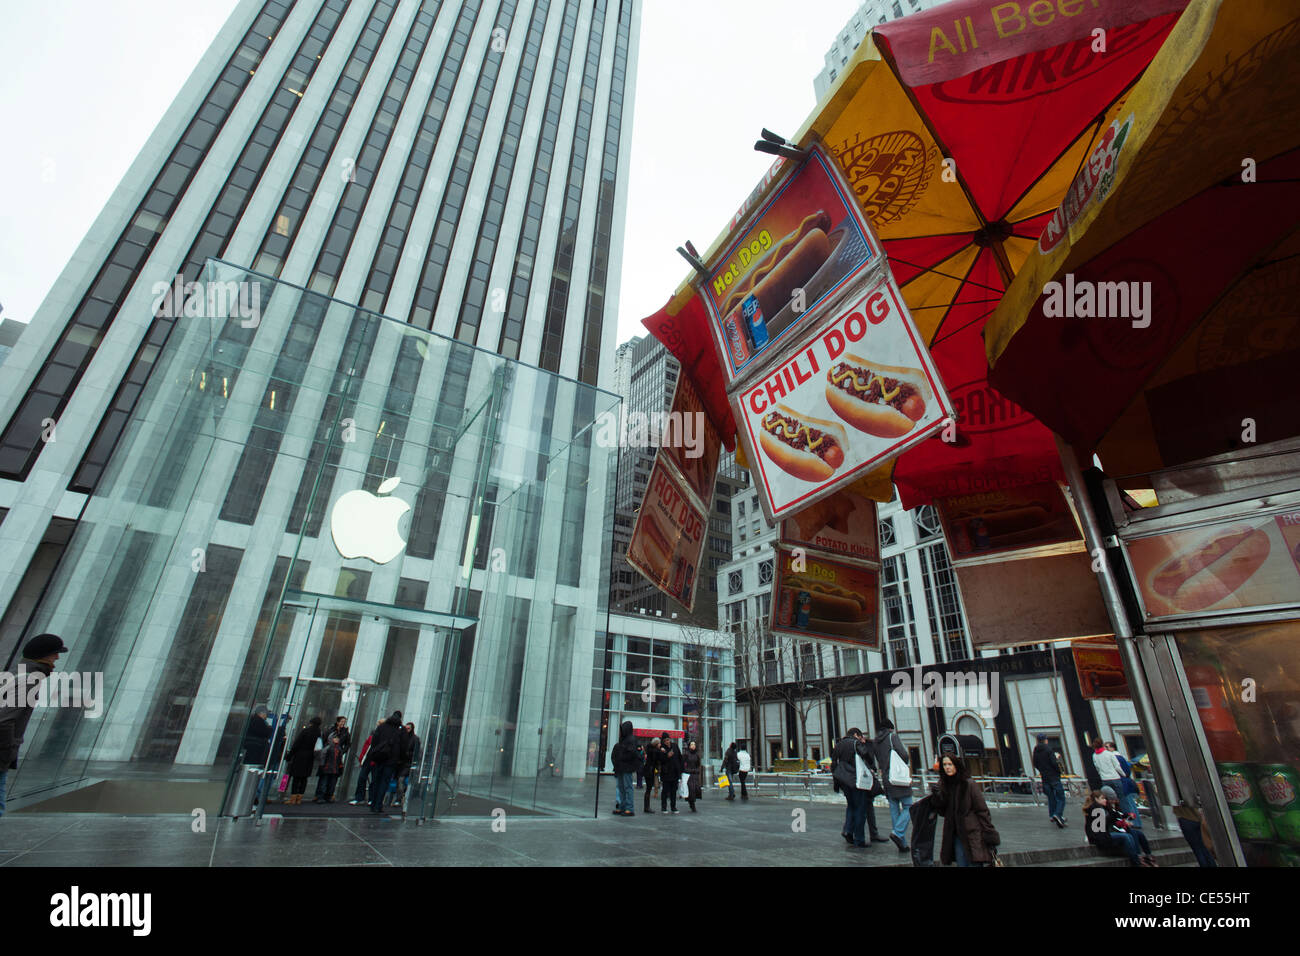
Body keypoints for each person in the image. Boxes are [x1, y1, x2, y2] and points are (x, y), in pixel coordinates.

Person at [0, 633, 68, 819]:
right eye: (54, 653)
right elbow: (5, 719)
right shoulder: (29, 680)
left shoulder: (18, 673)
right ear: (43, 656)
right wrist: (7, 749)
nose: (57, 658)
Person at [931, 754, 999, 866]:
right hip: (956, 834)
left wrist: (989, 834)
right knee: (961, 863)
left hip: (973, 834)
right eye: (944, 765)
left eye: (950, 764)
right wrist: (937, 797)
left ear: (956, 765)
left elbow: (982, 810)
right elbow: (943, 811)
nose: (947, 767)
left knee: (974, 863)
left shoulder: (968, 784)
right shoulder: (944, 785)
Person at [1084, 788, 1156, 866]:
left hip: (1104, 834)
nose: (1105, 800)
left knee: (1132, 834)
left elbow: (1116, 815)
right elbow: (1102, 826)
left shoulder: (1103, 808)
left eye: (1105, 798)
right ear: (1096, 799)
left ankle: (1142, 858)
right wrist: (1118, 822)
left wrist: (1124, 818)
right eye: (1102, 798)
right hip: (1100, 837)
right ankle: (1137, 861)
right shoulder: (1096, 809)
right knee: (1127, 837)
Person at [831, 727, 877, 849]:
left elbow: (834, 763)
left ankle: (848, 830)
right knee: (860, 809)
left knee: (851, 806)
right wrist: (864, 746)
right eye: (860, 736)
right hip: (856, 779)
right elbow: (868, 757)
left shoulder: (839, 745)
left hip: (844, 781)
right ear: (856, 735)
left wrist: (836, 782)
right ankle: (859, 839)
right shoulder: (856, 743)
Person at [874, 719, 913, 852]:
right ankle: (898, 832)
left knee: (894, 808)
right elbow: (903, 754)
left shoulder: (876, 741)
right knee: (909, 806)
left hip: (886, 778)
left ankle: (902, 843)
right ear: (890, 729)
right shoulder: (892, 737)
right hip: (898, 777)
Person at [366, 712, 404, 813]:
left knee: (376, 781)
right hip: (391, 760)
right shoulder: (399, 731)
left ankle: (373, 803)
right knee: (384, 782)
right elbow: (401, 747)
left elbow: (374, 741)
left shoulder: (382, 727)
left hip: (379, 758)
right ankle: (378, 805)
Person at [1092, 739, 1132, 825]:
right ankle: (1126, 818)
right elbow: (1117, 767)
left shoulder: (1094, 755)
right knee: (1121, 798)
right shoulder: (1109, 754)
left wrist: (1101, 774)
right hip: (1115, 778)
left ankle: (1111, 818)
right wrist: (1123, 774)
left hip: (1104, 779)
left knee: (1107, 800)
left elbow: (1097, 768)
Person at [284, 717, 322, 805]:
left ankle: (293, 798)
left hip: (300, 755)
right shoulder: (318, 733)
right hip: (310, 756)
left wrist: (290, 755)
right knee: (304, 778)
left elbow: (297, 743)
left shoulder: (305, 731)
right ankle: (299, 798)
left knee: (296, 778)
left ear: (311, 722)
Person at [1033, 733, 1067, 828]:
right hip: (1053, 776)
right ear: (1045, 740)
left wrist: (1042, 770)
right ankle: (1058, 814)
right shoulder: (1048, 749)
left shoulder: (1036, 750)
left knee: (1051, 797)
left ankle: (1052, 815)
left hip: (1045, 777)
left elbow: (1035, 763)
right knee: (1061, 797)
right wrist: (1058, 770)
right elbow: (1054, 763)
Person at [349, 718, 385, 806]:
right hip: (368, 759)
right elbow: (366, 747)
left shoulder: (382, 736)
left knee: (374, 780)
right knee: (362, 778)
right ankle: (360, 797)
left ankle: (371, 799)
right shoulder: (373, 735)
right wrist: (362, 758)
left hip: (376, 760)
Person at [1172, 800, 1216, 867]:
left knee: (1197, 849)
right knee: (1204, 847)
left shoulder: (1177, 796)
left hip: (1185, 819)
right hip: (1196, 818)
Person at [609, 720, 639, 816]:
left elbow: (632, 753)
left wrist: (621, 757)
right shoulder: (626, 739)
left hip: (626, 767)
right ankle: (623, 807)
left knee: (627, 787)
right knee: (622, 788)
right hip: (622, 767)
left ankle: (629, 808)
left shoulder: (630, 739)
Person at [392, 721, 420, 808]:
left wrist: (408, 754)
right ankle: (399, 797)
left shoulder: (414, 739)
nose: (407, 730)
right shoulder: (402, 738)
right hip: (401, 762)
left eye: (408, 729)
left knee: (401, 779)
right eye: (406, 728)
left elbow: (416, 752)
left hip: (407, 763)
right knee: (398, 780)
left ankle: (399, 798)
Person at [658, 734, 683, 814]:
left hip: (675, 772)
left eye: (668, 740)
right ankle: (664, 807)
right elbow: (660, 760)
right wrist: (667, 756)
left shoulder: (675, 746)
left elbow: (680, 757)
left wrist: (680, 769)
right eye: (665, 741)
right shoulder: (662, 749)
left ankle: (673, 806)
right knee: (665, 790)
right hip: (666, 772)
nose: (667, 742)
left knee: (673, 791)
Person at [683, 739, 703, 812]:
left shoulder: (697, 754)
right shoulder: (686, 754)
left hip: (695, 774)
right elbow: (683, 764)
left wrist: (697, 770)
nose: (693, 746)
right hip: (689, 774)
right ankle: (692, 804)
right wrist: (686, 770)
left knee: (695, 789)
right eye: (691, 744)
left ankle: (692, 802)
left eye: (694, 744)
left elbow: (698, 764)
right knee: (690, 789)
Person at [642, 738, 661, 814]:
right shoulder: (654, 751)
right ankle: (646, 807)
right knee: (648, 789)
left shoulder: (650, 750)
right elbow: (656, 757)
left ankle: (646, 806)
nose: (660, 745)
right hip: (650, 771)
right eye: (659, 743)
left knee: (648, 789)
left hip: (649, 771)